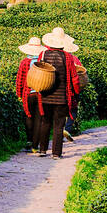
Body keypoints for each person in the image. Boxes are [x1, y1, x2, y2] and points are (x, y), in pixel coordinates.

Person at [32, 27, 81, 158]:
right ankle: (56, 153)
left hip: (46, 95)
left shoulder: (43, 55)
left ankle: (42, 150)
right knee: (59, 125)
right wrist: (76, 93)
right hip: (62, 97)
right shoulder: (68, 57)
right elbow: (74, 78)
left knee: (45, 122)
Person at [14, 36, 45, 152]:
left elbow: (20, 79)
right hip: (40, 94)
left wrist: (19, 94)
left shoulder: (25, 62)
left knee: (28, 116)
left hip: (28, 94)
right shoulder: (42, 62)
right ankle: (35, 145)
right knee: (38, 118)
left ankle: (29, 140)